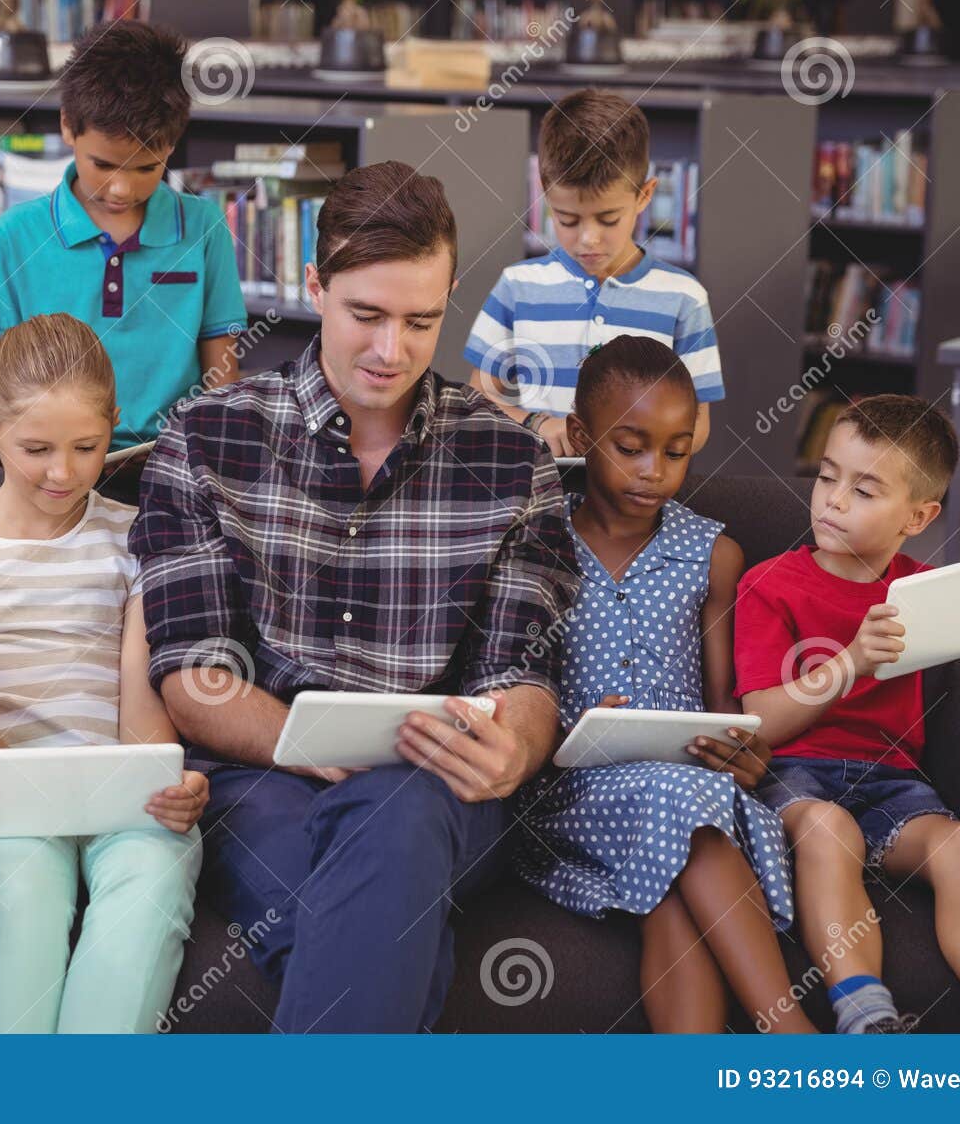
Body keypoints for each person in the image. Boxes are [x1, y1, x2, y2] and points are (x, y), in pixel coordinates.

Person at [129, 160, 580, 1032]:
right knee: (378, 916)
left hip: (440, 791)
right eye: (366, 315)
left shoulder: (510, 460)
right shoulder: (208, 435)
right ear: (314, 287)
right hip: (261, 779)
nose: (391, 350)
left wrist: (517, 749)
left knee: (399, 809)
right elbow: (191, 672)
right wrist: (309, 748)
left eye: (421, 321)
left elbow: (524, 669)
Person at [0, 313, 208, 1033]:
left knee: (151, 884)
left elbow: (140, 702)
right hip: (5, 788)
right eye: (36, 449)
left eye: (87, 447)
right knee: (22, 910)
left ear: (115, 424)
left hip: (120, 786)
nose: (63, 473)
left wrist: (170, 778)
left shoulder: (136, 535)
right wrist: (15, 771)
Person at [735, 395, 960, 1033]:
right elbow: (762, 722)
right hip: (795, 780)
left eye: (863, 491)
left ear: (918, 516)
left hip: (893, 783)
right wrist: (851, 663)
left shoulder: (928, 591)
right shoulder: (768, 584)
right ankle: (866, 1016)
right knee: (830, 829)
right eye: (826, 476)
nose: (832, 501)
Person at [515, 335, 813, 1033]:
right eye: (631, 448)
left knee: (672, 883)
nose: (654, 472)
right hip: (569, 793)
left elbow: (725, 707)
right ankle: (791, 1033)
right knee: (677, 810)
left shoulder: (714, 554)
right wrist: (571, 732)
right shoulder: (536, 541)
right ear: (581, 436)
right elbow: (508, 683)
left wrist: (745, 752)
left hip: (687, 794)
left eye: (676, 453)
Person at [0, 19, 247, 449]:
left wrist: (215, 457)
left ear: (172, 145)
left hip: (172, 454)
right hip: (57, 457)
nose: (121, 189)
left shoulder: (204, 227)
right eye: (103, 165)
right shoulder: (15, 235)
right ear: (68, 126)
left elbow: (221, 370)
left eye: (146, 168)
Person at [465, 89, 723, 456]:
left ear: (645, 195)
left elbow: (697, 422)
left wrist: (639, 450)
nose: (588, 239)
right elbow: (479, 400)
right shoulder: (518, 287)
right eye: (567, 220)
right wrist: (537, 423)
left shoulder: (684, 298)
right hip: (535, 481)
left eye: (608, 219)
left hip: (638, 486)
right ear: (545, 194)